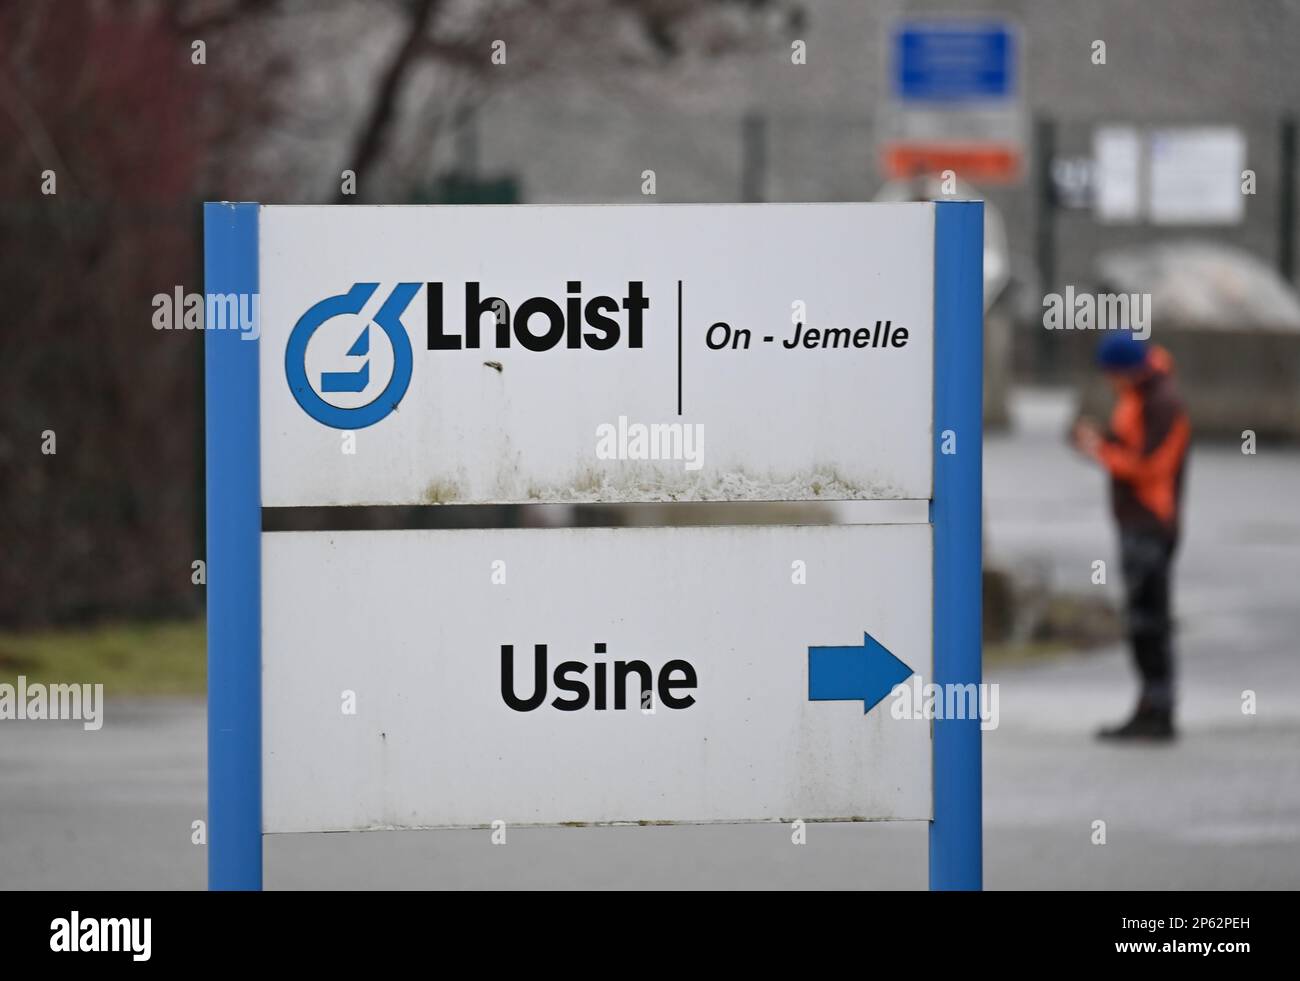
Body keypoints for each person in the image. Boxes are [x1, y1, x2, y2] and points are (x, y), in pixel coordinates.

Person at [1072, 331, 1191, 741]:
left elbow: (1150, 465)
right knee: (1143, 620)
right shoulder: (1141, 396)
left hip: (1152, 524)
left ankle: (1158, 709)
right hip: (1135, 522)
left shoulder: (1163, 401)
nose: (1110, 383)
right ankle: (1150, 705)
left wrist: (1098, 451)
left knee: (1150, 620)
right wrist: (1102, 440)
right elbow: (1130, 445)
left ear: (1125, 370)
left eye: (1112, 375)